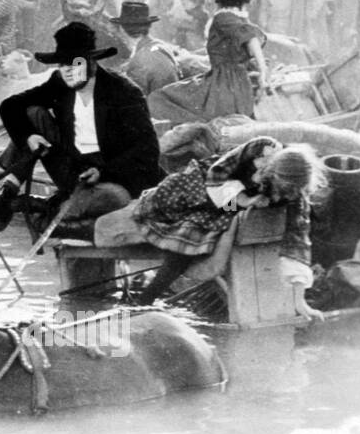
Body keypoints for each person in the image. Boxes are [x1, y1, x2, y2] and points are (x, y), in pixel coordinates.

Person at [95, 136, 326, 320]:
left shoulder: (296, 194)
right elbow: (216, 174)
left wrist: (299, 301)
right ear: (273, 173)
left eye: (295, 191)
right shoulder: (259, 150)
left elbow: (297, 241)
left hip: (226, 209)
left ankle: (144, 300)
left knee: (188, 244)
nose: (292, 195)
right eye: (286, 189)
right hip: (201, 187)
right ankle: (143, 301)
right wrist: (243, 200)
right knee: (168, 223)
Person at [0, 22, 163, 230]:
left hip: (117, 175)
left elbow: (147, 150)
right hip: (73, 168)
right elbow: (10, 106)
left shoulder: (124, 92)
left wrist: (103, 172)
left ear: (91, 62)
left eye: (75, 64)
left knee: (113, 197)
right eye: (62, 64)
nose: (67, 71)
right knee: (33, 113)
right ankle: (6, 197)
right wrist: (28, 137)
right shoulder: (60, 83)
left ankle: (32, 205)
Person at [148, 0, 269, 125]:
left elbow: (250, 38)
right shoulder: (239, 19)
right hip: (240, 85)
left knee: (159, 98)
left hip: (222, 84)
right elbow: (247, 43)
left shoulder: (223, 18)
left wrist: (263, 70)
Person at [112, 1, 195, 96]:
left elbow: (133, 101)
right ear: (148, 26)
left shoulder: (138, 62)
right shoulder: (161, 46)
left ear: (122, 29)